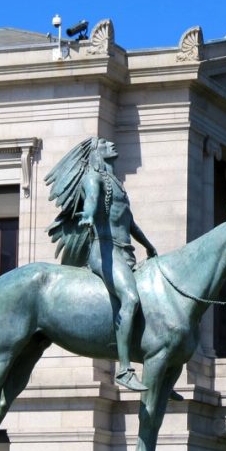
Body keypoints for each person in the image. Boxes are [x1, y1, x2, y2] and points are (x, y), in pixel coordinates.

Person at [45, 137, 157, 391]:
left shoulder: (117, 185)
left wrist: (149, 245)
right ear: (96, 153)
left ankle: (158, 367)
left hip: (125, 253)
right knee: (130, 299)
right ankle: (125, 370)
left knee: (151, 302)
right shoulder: (92, 178)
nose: (112, 145)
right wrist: (87, 215)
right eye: (105, 144)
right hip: (104, 250)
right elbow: (92, 201)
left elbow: (130, 222)